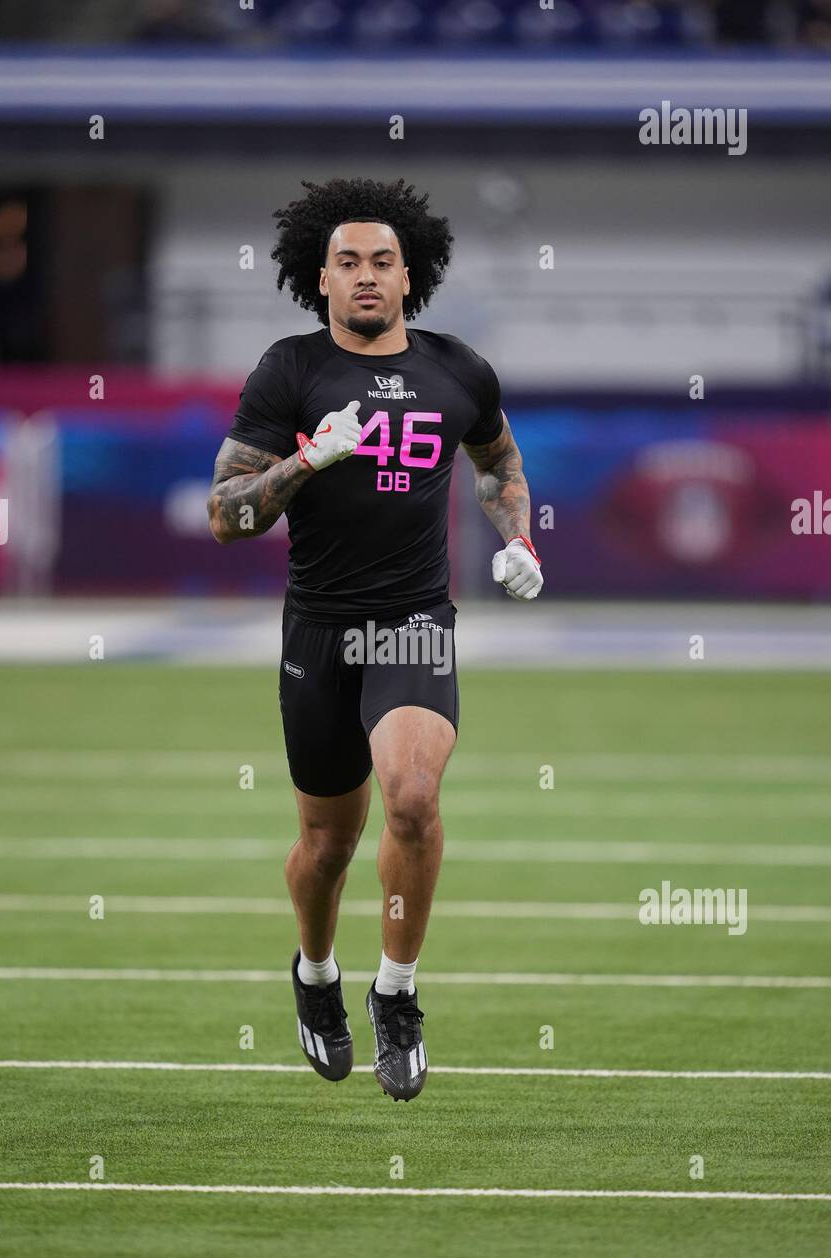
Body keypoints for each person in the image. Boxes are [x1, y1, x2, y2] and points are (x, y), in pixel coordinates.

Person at [208, 176, 542, 1101]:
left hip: (413, 621)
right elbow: (227, 516)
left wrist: (518, 536)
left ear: (411, 275)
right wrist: (309, 458)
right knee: (326, 846)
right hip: (318, 626)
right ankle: (317, 975)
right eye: (348, 261)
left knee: (414, 801)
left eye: (382, 262)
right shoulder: (290, 370)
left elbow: (499, 460)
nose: (365, 276)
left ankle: (396, 991)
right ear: (320, 279)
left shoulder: (458, 370)